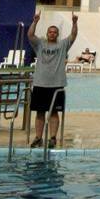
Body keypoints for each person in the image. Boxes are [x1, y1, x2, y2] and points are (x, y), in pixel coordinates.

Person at [27, 11, 78, 148]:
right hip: (40, 83)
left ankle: (53, 138)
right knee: (39, 112)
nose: (52, 34)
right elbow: (30, 35)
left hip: (56, 85)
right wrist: (35, 21)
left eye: (55, 32)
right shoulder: (40, 44)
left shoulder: (62, 45)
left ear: (57, 34)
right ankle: (38, 137)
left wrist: (74, 23)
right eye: (50, 32)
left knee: (54, 112)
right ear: (47, 33)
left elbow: (73, 35)